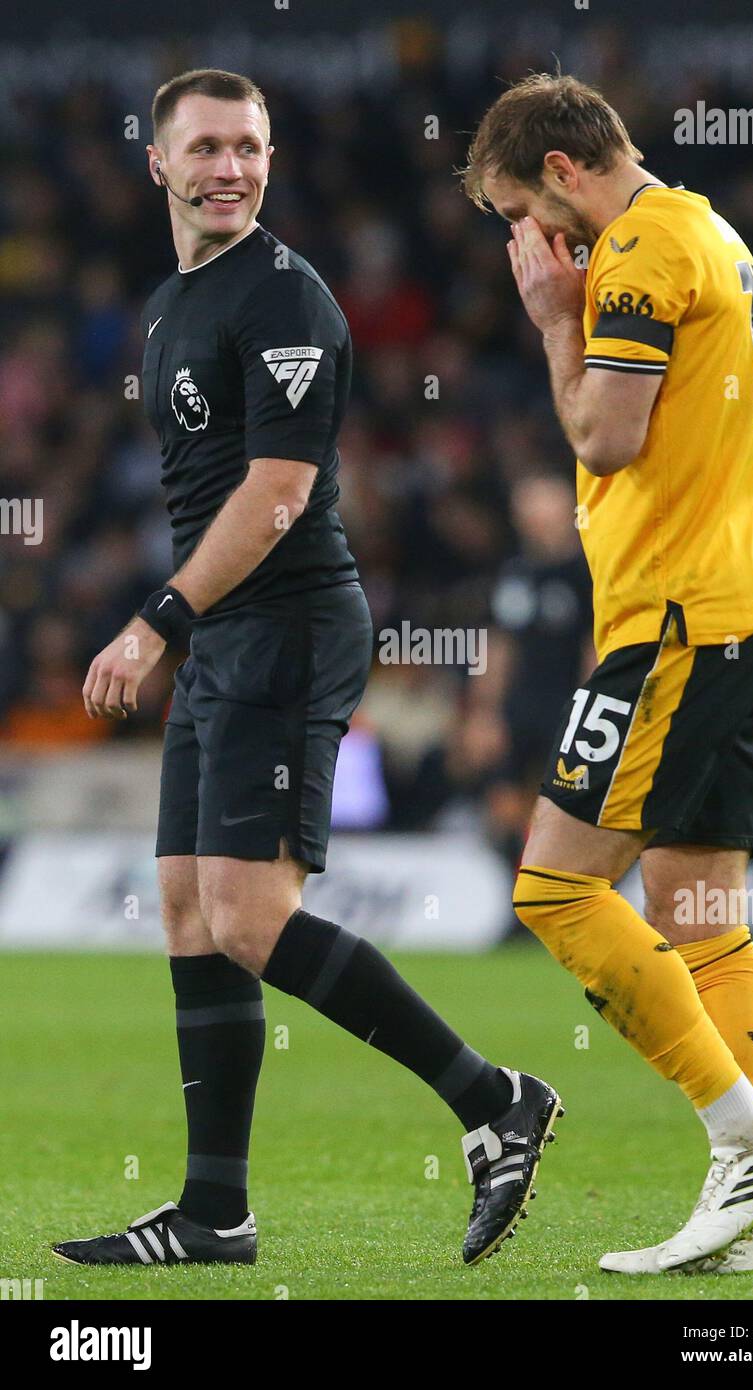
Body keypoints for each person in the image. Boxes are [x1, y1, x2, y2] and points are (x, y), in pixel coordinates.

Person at [52, 68, 560, 1271]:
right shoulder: (172, 305)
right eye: (208, 147)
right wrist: (185, 624)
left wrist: (154, 622)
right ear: (158, 166)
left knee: (246, 911)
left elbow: (278, 495)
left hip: (281, 626)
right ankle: (214, 1210)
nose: (231, 167)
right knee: (186, 906)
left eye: (250, 147)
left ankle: (492, 1099)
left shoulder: (284, 298)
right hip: (226, 632)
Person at [462, 72, 753, 1274]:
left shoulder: (632, 252)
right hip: (751, 601)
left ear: (563, 171)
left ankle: (747, 1136)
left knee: (555, 892)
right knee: (699, 909)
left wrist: (556, 323)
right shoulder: (708, 229)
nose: (530, 244)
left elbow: (606, 432)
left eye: (522, 213)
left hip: (677, 612)